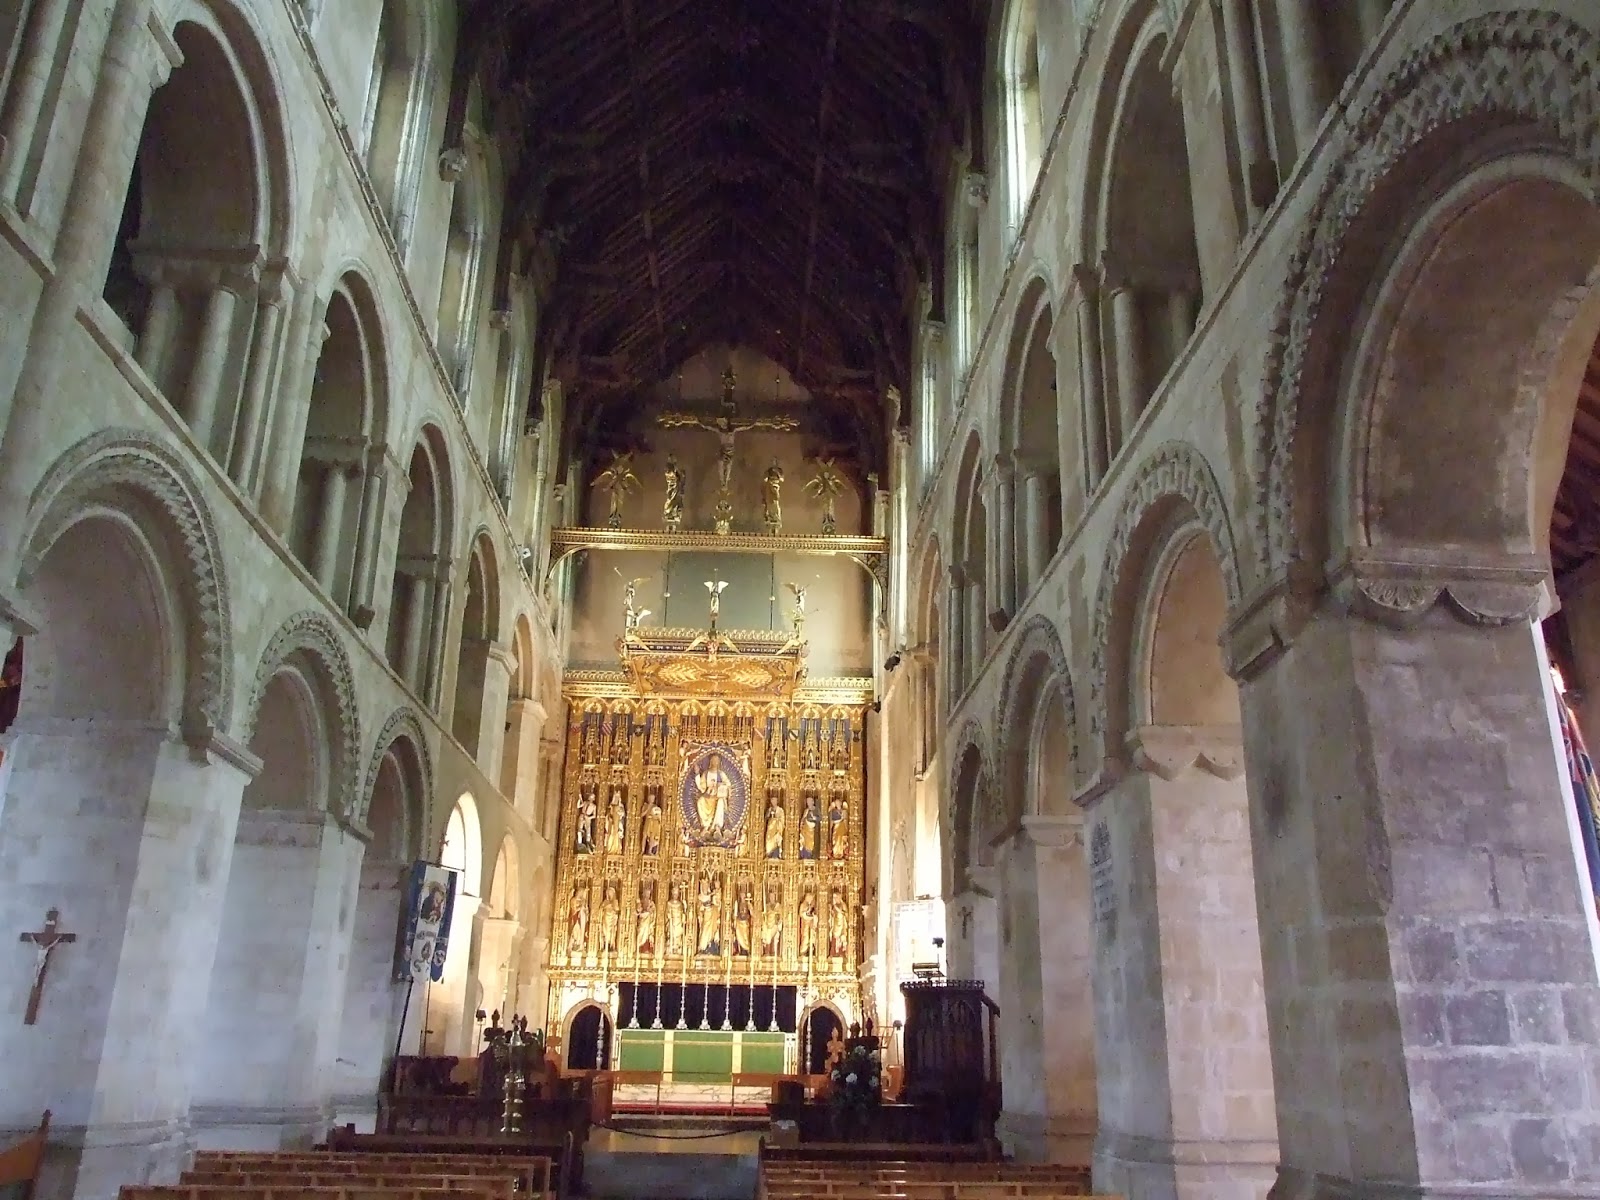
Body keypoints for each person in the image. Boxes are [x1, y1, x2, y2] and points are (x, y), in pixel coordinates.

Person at [694, 750, 733, 834]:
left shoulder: (721, 774)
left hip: (717, 796)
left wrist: (721, 786)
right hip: (708, 795)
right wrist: (697, 774)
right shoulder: (706, 773)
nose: (715, 762)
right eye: (713, 760)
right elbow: (701, 787)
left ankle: (717, 827)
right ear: (710, 762)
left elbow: (728, 784)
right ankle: (706, 826)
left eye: (716, 761)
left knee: (720, 802)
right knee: (700, 801)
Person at [764, 794, 784, 858]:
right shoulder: (770, 809)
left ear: (777, 801)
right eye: (772, 800)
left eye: (774, 800)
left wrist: (776, 819)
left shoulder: (780, 810)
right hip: (770, 827)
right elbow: (765, 818)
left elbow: (782, 819)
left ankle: (776, 855)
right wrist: (769, 815)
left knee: (776, 839)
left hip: (777, 828)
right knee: (769, 839)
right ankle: (769, 853)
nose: (773, 802)